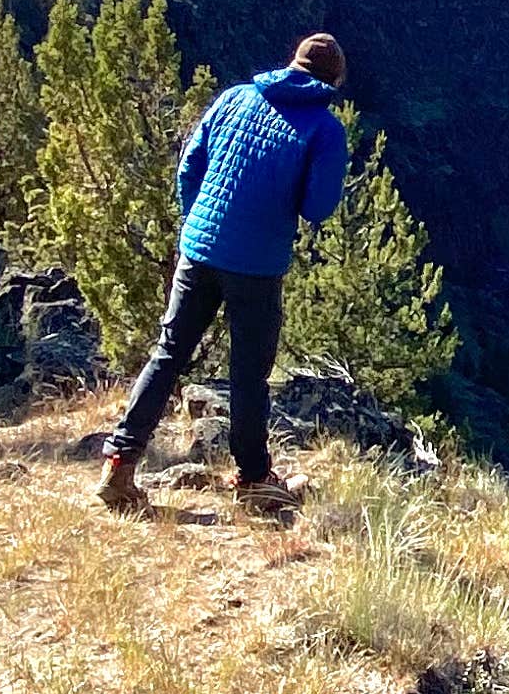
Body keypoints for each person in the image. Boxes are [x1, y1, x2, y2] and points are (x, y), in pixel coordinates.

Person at [96, 30, 350, 517]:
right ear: (332, 79)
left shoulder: (235, 98)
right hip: (255, 264)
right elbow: (318, 208)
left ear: (292, 63)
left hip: (199, 249)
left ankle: (119, 464)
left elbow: (189, 168)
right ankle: (254, 479)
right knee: (249, 374)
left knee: (168, 354)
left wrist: (200, 226)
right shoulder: (323, 129)